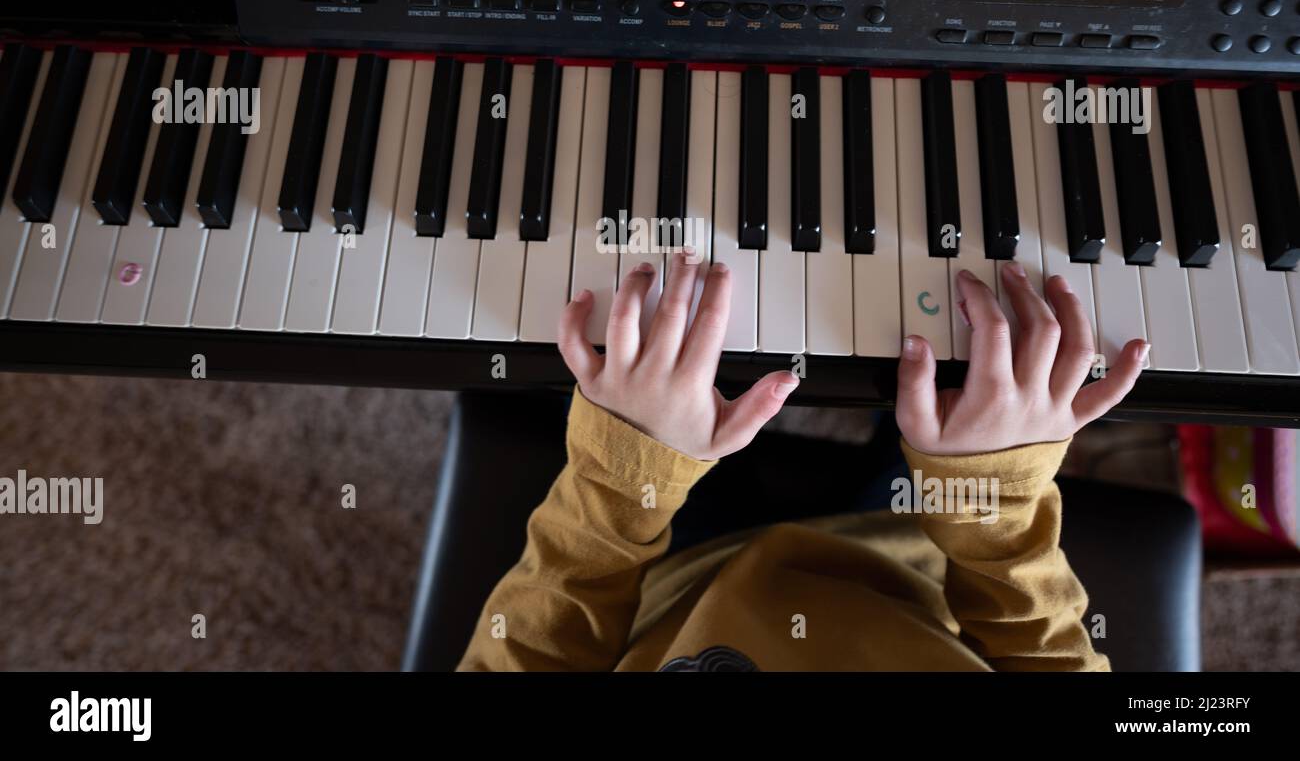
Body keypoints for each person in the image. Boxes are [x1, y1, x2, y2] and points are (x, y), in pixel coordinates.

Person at [459, 251, 1149, 671]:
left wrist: (626, 463)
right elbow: (1048, 657)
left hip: (662, 581)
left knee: (629, 351)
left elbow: (529, 652)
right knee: (939, 368)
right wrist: (990, 493)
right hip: (915, 567)